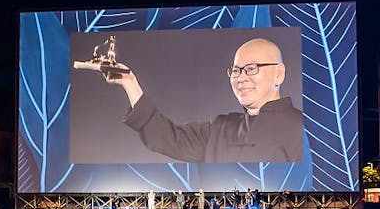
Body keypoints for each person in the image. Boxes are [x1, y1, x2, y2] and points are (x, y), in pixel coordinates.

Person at [102, 38, 306, 163]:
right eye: (235, 71)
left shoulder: (302, 127)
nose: (241, 78)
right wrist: (130, 82)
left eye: (251, 69)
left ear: (279, 74)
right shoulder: (221, 128)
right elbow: (166, 138)